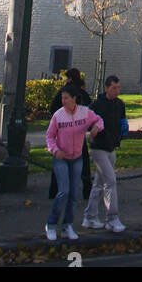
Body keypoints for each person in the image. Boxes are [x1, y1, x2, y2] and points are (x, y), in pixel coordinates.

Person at [45, 86, 103, 241]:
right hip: (61, 157)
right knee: (63, 191)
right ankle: (51, 224)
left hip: (77, 157)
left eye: (66, 98)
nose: (63, 101)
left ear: (74, 98)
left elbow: (98, 119)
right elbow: (50, 136)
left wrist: (96, 127)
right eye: (62, 98)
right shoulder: (58, 116)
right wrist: (54, 150)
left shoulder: (84, 112)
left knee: (73, 193)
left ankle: (67, 225)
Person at [82, 75, 128, 233]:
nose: (117, 91)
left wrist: (123, 129)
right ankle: (112, 218)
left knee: (99, 184)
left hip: (111, 147)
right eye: (114, 88)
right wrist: (92, 129)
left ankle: (90, 216)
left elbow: (122, 121)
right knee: (110, 181)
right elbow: (86, 122)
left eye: (118, 88)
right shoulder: (97, 105)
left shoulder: (120, 104)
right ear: (107, 87)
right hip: (99, 148)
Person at [48, 70, 93, 202]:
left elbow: (52, 108)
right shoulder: (82, 93)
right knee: (83, 162)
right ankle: (87, 190)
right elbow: (90, 109)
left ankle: (54, 190)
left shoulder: (63, 93)